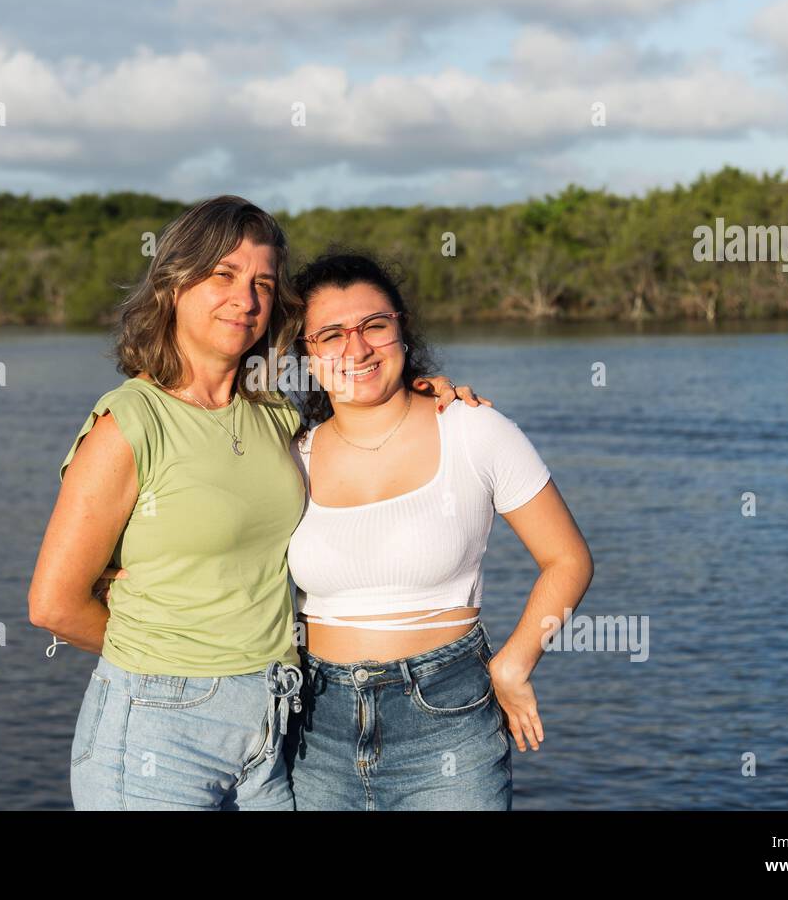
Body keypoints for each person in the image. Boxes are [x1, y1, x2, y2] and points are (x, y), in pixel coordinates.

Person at [26, 196, 482, 810]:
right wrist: (164, 653)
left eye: (264, 283)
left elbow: (357, 409)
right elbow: (53, 606)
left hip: (274, 727)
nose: (246, 299)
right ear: (174, 283)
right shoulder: (130, 423)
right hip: (158, 731)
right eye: (224, 275)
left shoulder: (274, 412)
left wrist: (424, 393)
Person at [283, 250, 595, 811]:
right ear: (305, 354)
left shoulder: (474, 429)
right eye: (330, 335)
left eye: (374, 326)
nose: (356, 349)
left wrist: (516, 661)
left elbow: (567, 559)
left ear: (402, 329)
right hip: (314, 727)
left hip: (446, 720)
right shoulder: (288, 456)